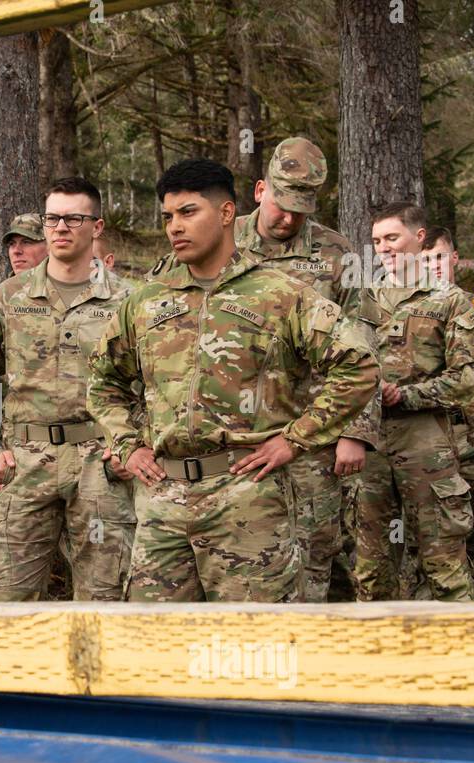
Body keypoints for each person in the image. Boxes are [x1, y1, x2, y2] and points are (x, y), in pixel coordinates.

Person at [87, 159, 377, 602]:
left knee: (257, 647)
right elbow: (103, 379)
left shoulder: (280, 294)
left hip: (248, 501)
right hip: (163, 504)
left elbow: (358, 365)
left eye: (188, 212)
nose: (174, 228)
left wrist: (295, 440)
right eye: (168, 217)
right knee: (153, 651)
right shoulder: (147, 300)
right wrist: (128, 443)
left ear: (226, 214)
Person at [0, 176, 136, 602]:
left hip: (100, 467)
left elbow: (151, 382)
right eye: (53, 218)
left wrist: (133, 447)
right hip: (25, 465)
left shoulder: (129, 300)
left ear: (96, 227)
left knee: (103, 601)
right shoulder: (8, 297)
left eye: (73, 218)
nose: (60, 227)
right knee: (8, 600)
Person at [234, 137, 380, 602]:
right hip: (234, 432)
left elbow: (365, 342)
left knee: (314, 547)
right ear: (260, 190)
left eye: (301, 209)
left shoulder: (339, 253)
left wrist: (356, 430)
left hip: (312, 433)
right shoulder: (220, 242)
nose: (289, 218)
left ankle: (307, 654)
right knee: (236, 551)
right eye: (281, 204)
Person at [353, 203, 474, 603]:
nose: (384, 248)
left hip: (426, 441)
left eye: (392, 238)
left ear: (419, 237)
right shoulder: (363, 299)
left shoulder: (450, 302)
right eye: (377, 241)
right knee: (371, 568)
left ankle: (459, 656)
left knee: (443, 562)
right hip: (371, 445)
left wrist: (407, 395)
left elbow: (468, 379)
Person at [414, 227, 474, 584]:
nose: (434, 265)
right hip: (426, 432)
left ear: (453, 258)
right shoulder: (409, 307)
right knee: (427, 526)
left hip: (469, 433)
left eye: (439, 257)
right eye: (425, 259)